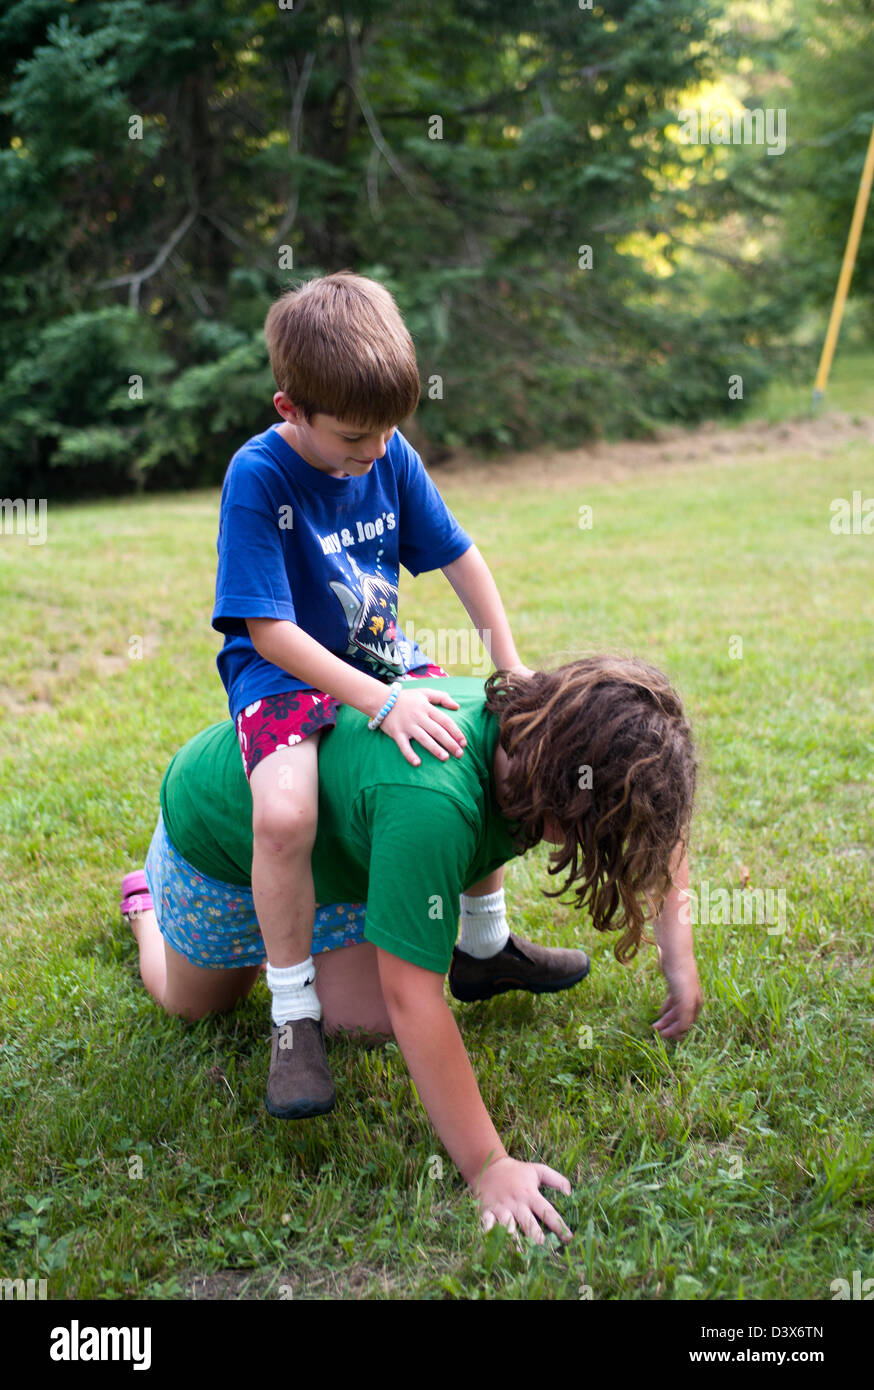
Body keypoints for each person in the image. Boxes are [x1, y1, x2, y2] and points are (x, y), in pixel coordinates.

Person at [122, 659, 702, 1244]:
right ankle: (148, 907)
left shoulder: (538, 730)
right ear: (570, 790)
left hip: (345, 864)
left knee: (364, 1023)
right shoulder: (435, 807)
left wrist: (678, 954)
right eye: (598, 832)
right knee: (196, 1009)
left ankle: (299, 939)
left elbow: (653, 807)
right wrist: (489, 1166)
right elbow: (413, 997)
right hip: (219, 842)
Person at [212, 270, 532, 1119]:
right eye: (356, 437)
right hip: (283, 676)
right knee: (284, 814)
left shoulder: (390, 453)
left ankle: (485, 943)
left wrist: (508, 659)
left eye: (390, 431)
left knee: (471, 741)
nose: (377, 452)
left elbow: (460, 555)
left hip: (381, 655)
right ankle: (293, 1014)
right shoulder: (259, 476)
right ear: (291, 409)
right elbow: (266, 632)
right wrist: (381, 705)